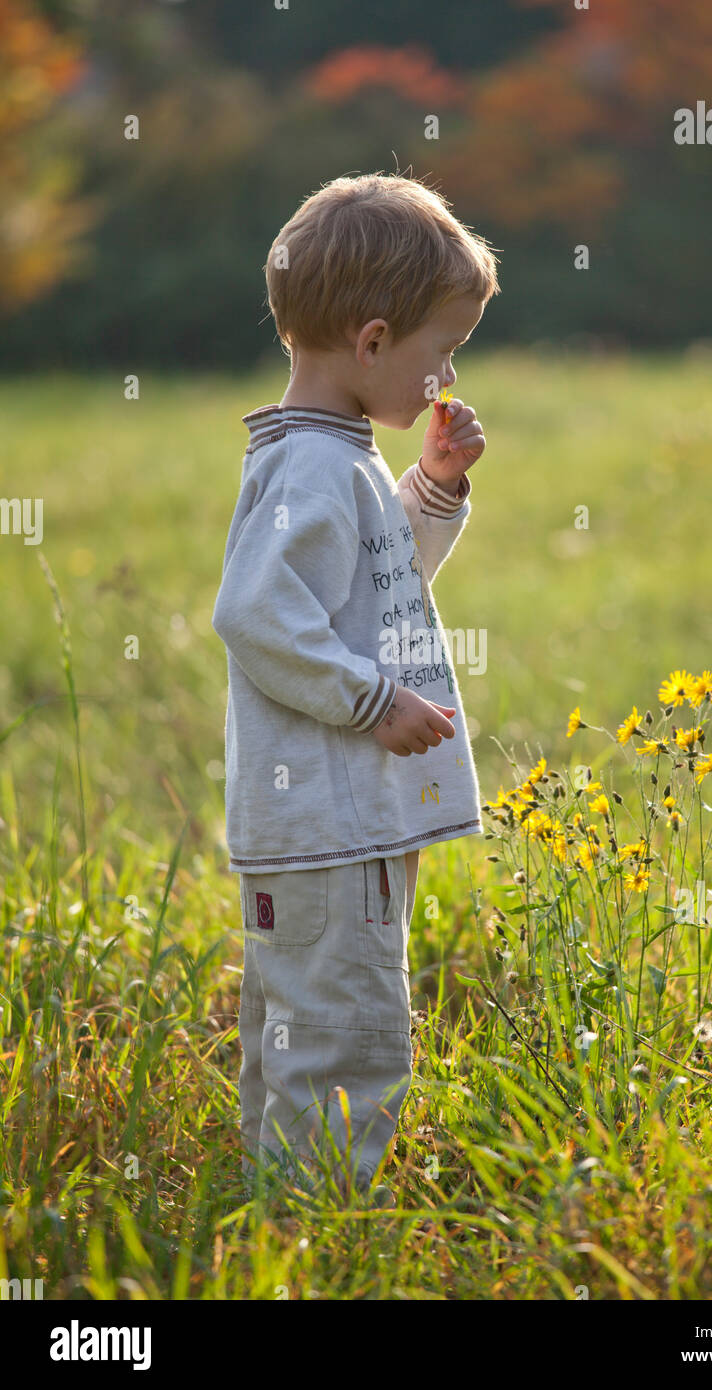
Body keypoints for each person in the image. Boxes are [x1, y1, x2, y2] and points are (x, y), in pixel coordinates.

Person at [211, 171, 500, 1204]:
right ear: (373, 341)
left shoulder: (339, 460)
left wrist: (429, 489)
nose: (448, 371)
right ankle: (322, 1223)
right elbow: (254, 615)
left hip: (336, 826)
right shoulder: (310, 469)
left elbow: (367, 598)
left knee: (313, 1024)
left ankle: (285, 1204)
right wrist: (373, 704)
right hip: (325, 820)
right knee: (345, 1035)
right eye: (441, 349)